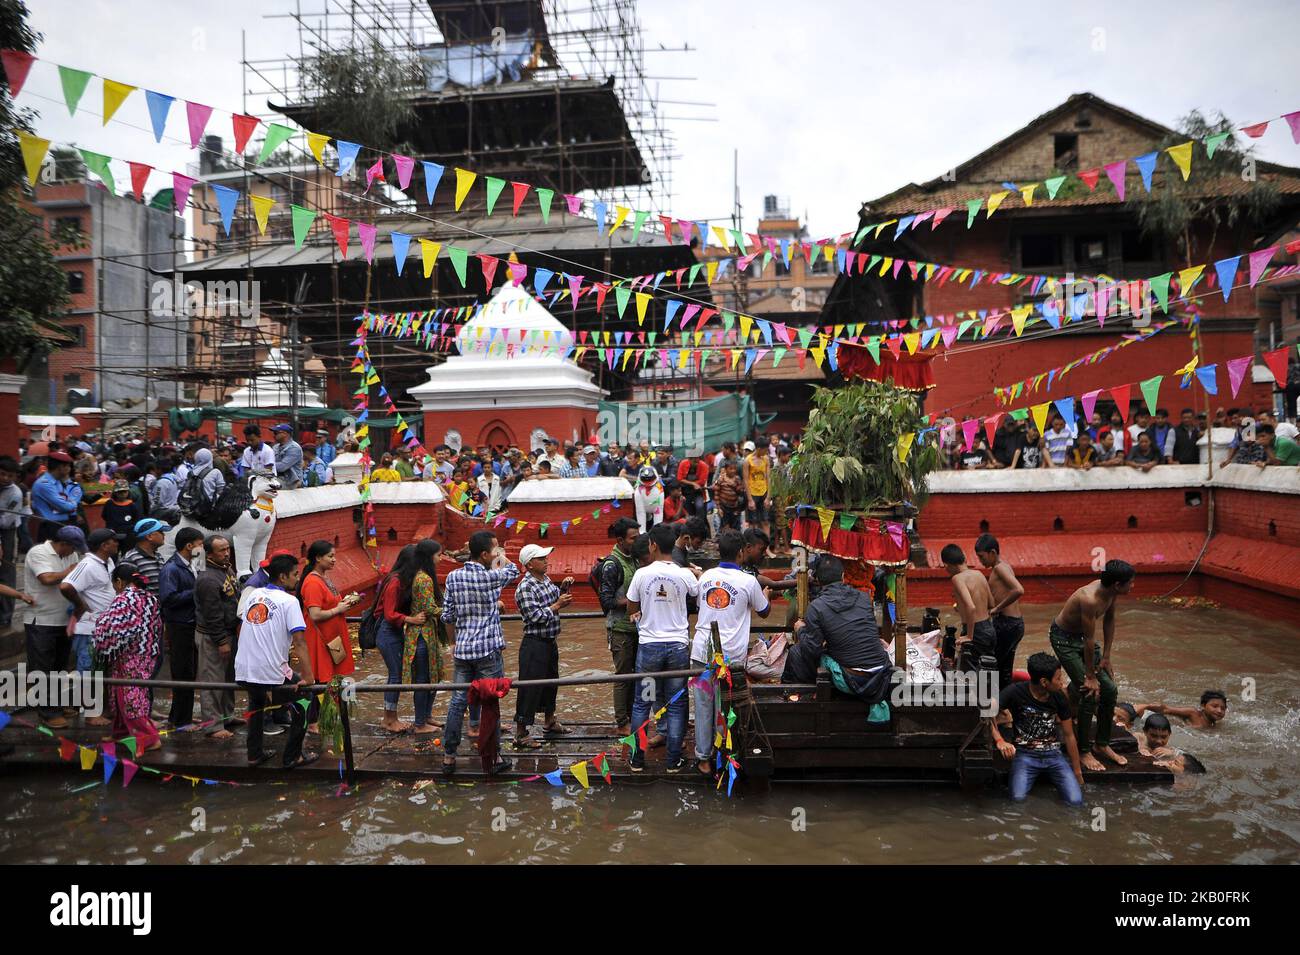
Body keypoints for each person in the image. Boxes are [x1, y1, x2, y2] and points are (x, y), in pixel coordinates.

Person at [440, 531, 519, 775]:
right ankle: (492, 757)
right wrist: (503, 557)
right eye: (494, 550)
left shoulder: (453, 577)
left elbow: (448, 616)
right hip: (487, 650)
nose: (497, 554)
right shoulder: (489, 577)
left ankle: (448, 757)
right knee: (491, 703)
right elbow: (515, 570)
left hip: (463, 649)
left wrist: (453, 644)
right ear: (484, 554)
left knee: (457, 703)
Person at [691, 530, 769, 775]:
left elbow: (699, 605)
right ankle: (725, 756)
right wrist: (765, 594)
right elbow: (764, 611)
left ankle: (704, 758)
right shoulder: (748, 581)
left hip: (702, 651)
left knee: (704, 707)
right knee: (728, 708)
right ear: (740, 552)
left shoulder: (705, 578)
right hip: (730, 658)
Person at [625, 523, 700, 773]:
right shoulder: (684, 574)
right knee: (677, 704)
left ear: (653, 545)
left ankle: (637, 760)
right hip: (678, 648)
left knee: (642, 703)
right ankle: (673, 761)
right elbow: (697, 594)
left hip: (649, 649)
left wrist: (642, 613)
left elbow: (631, 607)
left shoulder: (641, 574)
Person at [1049, 559, 1136, 772]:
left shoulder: (1111, 592)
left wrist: (1106, 656)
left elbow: (1109, 619)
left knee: (1110, 689)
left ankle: (1102, 744)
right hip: (1064, 639)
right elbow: (1089, 640)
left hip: (1084, 640)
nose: (1132, 586)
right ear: (1117, 584)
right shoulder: (1089, 599)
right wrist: (1090, 675)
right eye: (1130, 583)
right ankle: (1084, 750)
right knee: (1089, 691)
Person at [236, 553, 318, 768]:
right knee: (305, 697)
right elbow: (300, 641)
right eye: (294, 575)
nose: (297, 579)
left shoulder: (255, 595)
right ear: (282, 577)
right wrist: (309, 676)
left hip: (244, 667)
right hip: (270, 669)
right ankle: (293, 756)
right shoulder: (289, 601)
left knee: (256, 703)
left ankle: (254, 754)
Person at [781, 556, 892, 703]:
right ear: (843, 576)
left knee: (796, 651)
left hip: (854, 679)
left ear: (818, 581)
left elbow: (812, 650)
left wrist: (800, 630)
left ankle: (794, 697)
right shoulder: (864, 598)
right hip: (881, 672)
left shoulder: (816, 607)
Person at [990, 651, 1085, 804]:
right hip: (1025, 755)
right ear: (1044, 682)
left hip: (1054, 755)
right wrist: (999, 740)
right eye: (1058, 678)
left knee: (1075, 801)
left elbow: (1069, 735)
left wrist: (1077, 771)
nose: (1062, 683)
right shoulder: (1015, 692)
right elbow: (987, 714)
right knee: (1017, 799)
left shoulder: (1059, 697)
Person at [92, 565, 164, 753]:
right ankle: (122, 731)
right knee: (121, 692)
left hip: (131, 654)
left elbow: (118, 627)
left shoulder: (125, 597)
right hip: (147, 651)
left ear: (118, 582)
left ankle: (148, 738)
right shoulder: (149, 597)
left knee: (130, 696)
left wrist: (99, 630)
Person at [20, 525, 84, 729]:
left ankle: (56, 704)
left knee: (60, 666)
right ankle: (47, 712)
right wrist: (69, 571)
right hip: (41, 620)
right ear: (63, 544)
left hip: (63, 619)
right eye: (73, 548)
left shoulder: (71, 556)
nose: (74, 553)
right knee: (43, 668)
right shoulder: (38, 553)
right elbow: (46, 578)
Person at [511, 543, 574, 749]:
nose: (546, 561)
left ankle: (549, 721)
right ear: (529, 564)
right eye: (542, 558)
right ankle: (521, 733)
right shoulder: (525, 587)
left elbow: (555, 599)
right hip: (534, 644)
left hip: (549, 641)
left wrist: (563, 589)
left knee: (551, 683)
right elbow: (535, 616)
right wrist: (557, 606)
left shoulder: (545, 580)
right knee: (529, 688)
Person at [61, 528, 121, 726]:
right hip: (89, 629)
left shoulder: (108, 562)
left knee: (102, 671)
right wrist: (80, 605)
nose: (117, 544)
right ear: (104, 545)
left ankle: (102, 709)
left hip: (104, 628)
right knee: (87, 670)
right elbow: (66, 586)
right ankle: (90, 713)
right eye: (114, 541)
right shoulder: (87, 564)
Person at [297, 541, 360, 722]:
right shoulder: (312, 583)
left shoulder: (323, 578)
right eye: (330, 556)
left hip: (331, 638)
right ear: (318, 558)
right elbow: (315, 614)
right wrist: (338, 609)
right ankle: (314, 722)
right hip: (320, 639)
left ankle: (325, 718)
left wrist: (346, 603)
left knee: (329, 678)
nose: (334, 560)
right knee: (320, 679)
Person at [374, 544, 425, 734]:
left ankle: (391, 717)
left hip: (394, 632)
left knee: (397, 674)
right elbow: (389, 614)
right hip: (387, 632)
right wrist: (411, 619)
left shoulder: (401, 580)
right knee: (395, 675)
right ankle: (388, 719)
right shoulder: (395, 582)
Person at [195, 534, 242, 740]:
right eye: (221, 550)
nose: (226, 553)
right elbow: (212, 614)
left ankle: (227, 715)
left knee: (228, 678)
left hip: (230, 632)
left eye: (227, 549)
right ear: (210, 553)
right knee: (213, 680)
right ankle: (213, 725)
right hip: (213, 636)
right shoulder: (207, 578)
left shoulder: (226, 569)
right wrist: (222, 641)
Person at [600, 517, 642, 736]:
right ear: (620, 540)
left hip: (637, 628)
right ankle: (621, 721)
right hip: (620, 629)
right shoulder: (611, 565)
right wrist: (633, 600)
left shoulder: (635, 560)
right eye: (633, 539)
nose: (637, 542)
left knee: (636, 674)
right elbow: (606, 602)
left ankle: (634, 715)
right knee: (623, 675)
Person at [159, 526, 204, 728]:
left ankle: (182, 715)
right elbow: (168, 598)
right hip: (179, 626)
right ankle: (180, 721)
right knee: (182, 672)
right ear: (189, 546)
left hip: (190, 623)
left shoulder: (191, 565)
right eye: (200, 545)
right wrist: (195, 592)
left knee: (189, 671)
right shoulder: (171, 569)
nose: (202, 548)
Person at [406, 539, 448, 731]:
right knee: (423, 679)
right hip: (422, 635)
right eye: (438, 555)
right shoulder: (423, 579)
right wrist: (451, 611)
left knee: (433, 676)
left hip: (428, 633)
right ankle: (420, 723)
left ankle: (426, 716)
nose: (441, 558)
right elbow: (429, 608)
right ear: (429, 557)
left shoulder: (422, 576)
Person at [974, 533, 1024, 693]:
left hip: (1006, 624)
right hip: (1015, 624)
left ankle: (993, 707)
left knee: (991, 665)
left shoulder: (1000, 568)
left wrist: (997, 608)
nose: (980, 561)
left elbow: (1018, 590)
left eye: (982, 556)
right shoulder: (1004, 567)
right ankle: (1004, 707)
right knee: (1004, 669)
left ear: (993, 553)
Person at [941, 543, 996, 663]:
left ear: (946, 565)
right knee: (988, 670)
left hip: (975, 632)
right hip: (989, 629)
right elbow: (991, 603)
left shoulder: (957, 578)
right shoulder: (979, 574)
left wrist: (969, 636)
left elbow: (971, 607)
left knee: (971, 673)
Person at [31, 450, 83, 541]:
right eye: (67, 466)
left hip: (62, 524)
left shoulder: (58, 481)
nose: (69, 469)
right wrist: (73, 503)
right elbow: (66, 507)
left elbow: (75, 492)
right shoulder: (44, 484)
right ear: (60, 467)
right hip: (51, 526)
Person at [0, 456, 27, 630]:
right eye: (2, 474)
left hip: (7, 533)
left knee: (6, 572)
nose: (5, 479)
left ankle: (5, 617)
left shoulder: (15, 493)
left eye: (10, 476)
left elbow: (4, 522)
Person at [120, 517, 168, 594]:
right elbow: (125, 591)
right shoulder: (130, 559)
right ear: (149, 536)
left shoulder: (158, 556)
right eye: (160, 532)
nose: (164, 535)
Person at [1142, 690, 1229, 729]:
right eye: (1214, 706)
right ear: (1203, 705)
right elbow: (1166, 709)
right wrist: (1145, 706)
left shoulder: (1216, 726)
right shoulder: (1193, 713)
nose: (1219, 711)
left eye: (1223, 708)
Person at [741, 440, 770, 535]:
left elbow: (768, 478)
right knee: (753, 523)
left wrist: (768, 497)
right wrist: (750, 500)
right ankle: (755, 545)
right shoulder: (747, 461)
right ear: (759, 449)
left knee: (765, 521)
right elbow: (745, 480)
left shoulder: (766, 459)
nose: (766, 452)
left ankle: (766, 547)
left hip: (764, 491)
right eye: (765, 450)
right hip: (752, 493)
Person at [713, 460, 744, 531]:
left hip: (735, 507)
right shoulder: (721, 479)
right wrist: (719, 508)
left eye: (734, 469)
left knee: (735, 526)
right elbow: (716, 494)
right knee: (725, 526)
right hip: (724, 507)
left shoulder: (737, 479)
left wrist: (739, 487)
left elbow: (740, 492)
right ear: (726, 469)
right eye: (731, 469)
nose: (733, 471)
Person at [634, 465, 664, 532]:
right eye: (645, 479)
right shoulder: (638, 490)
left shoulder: (660, 489)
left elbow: (659, 510)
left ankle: (658, 532)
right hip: (642, 507)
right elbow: (640, 512)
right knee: (640, 513)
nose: (647, 481)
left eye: (650, 479)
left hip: (656, 508)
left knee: (658, 514)